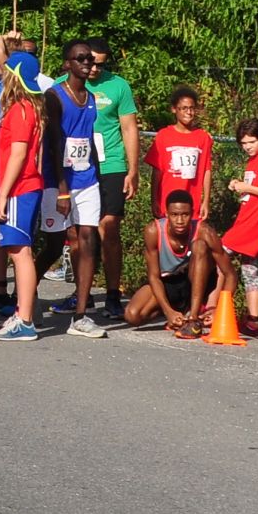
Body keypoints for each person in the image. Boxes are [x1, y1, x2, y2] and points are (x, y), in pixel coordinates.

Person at [43, 41, 109, 338]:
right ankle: (24, 297)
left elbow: (89, 141)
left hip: (87, 179)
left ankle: (80, 316)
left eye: (90, 59)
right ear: (67, 64)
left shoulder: (91, 98)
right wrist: (62, 189)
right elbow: (55, 143)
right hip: (58, 181)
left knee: (88, 240)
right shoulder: (54, 96)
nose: (87, 63)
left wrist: (99, 179)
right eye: (80, 58)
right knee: (54, 246)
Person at [0, 50, 48, 342]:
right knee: (19, 250)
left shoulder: (21, 109)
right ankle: (24, 313)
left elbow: (19, 154)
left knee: (20, 253)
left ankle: (25, 319)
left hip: (20, 188)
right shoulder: (29, 107)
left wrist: (2, 195)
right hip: (25, 187)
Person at [88, 39, 142, 321]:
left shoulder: (119, 85)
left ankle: (112, 294)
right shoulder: (63, 84)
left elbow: (129, 128)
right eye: (91, 62)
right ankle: (82, 293)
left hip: (111, 164)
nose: (95, 69)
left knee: (109, 228)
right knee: (80, 233)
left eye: (101, 63)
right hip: (79, 166)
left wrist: (133, 170)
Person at [127, 191, 231, 335]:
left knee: (199, 245)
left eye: (185, 214)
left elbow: (230, 274)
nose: (180, 220)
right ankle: (177, 315)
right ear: (166, 214)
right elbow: (153, 277)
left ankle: (193, 317)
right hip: (169, 282)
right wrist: (168, 311)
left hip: (197, 281)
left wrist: (220, 310)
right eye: (174, 215)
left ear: (192, 214)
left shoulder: (204, 231)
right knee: (133, 315)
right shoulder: (153, 231)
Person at [220, 117, 258, 338]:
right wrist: (240, 185)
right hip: (249, 218)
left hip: (257, 222)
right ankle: (253, 320)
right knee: (250, 269)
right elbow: (255, 187)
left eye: (252, 142)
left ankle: (214, 305)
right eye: (244, 143)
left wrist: (246, 187)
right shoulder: (254, 160)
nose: (247, 147)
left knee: (219, 254)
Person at [146, 87, 217, 221]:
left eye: (191, 108)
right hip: (167, 202)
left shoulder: (203, 137)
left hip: (192, 204)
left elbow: (206, 170)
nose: (189, 112)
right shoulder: (163, 136)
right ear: (174, 109)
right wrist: (154, 199)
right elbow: (157, 171)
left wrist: (206, 201)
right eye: (184, 108)